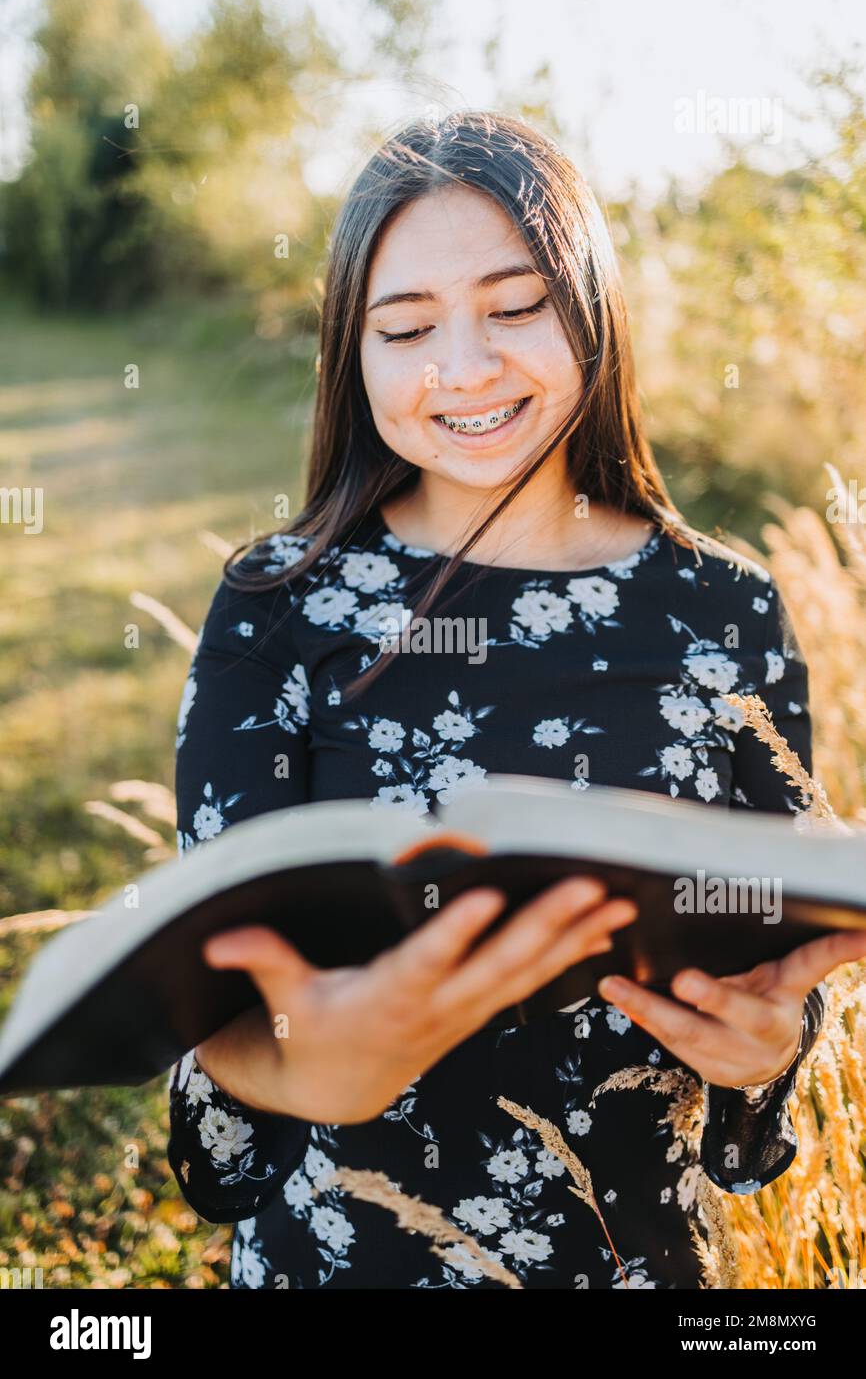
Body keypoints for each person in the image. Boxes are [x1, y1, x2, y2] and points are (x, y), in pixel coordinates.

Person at [167, 111, 865, 1290]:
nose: (464, 366)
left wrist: (763, 1052)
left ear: (588, 307)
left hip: (634, 1265)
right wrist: (299, 1069)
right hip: (342, 1260)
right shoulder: (275, 609)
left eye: (515, 305)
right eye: (405, 326)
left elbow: (762, 1001)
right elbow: (220, 1042)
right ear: (355, 353)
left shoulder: (726, 609)